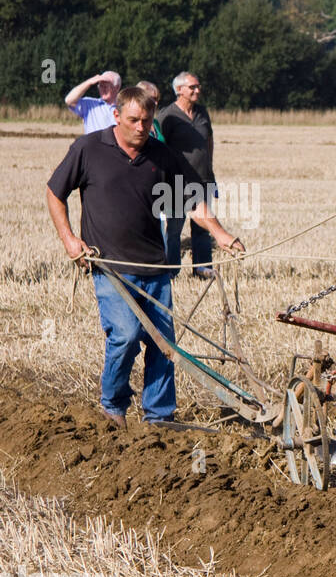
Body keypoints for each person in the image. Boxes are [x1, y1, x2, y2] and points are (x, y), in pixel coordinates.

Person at [45, 85, 245, 425]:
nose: (141, 127)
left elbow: (192, 197)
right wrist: (69, 240)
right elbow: (54, 193)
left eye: (147, 120)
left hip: (155, 265)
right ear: (117, 116)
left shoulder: (161, 154)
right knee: (125, 335)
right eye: (134, 120)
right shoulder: (89, 149)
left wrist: (220, 233)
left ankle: (159, 416)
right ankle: (113, 407)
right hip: (109, 265)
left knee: (163, 344)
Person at [156, 71, 217, 277]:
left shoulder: (202, 112)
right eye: (192, 87)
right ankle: (171, 272)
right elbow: (159, 145)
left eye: (198, 86)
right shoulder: (168, 115)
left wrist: (209, 165)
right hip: (176, 183)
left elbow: (209, 139)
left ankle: (202, 269)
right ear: (179, 90)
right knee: (173, 229)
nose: (197, 90)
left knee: (203, 228)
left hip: (203, 179)